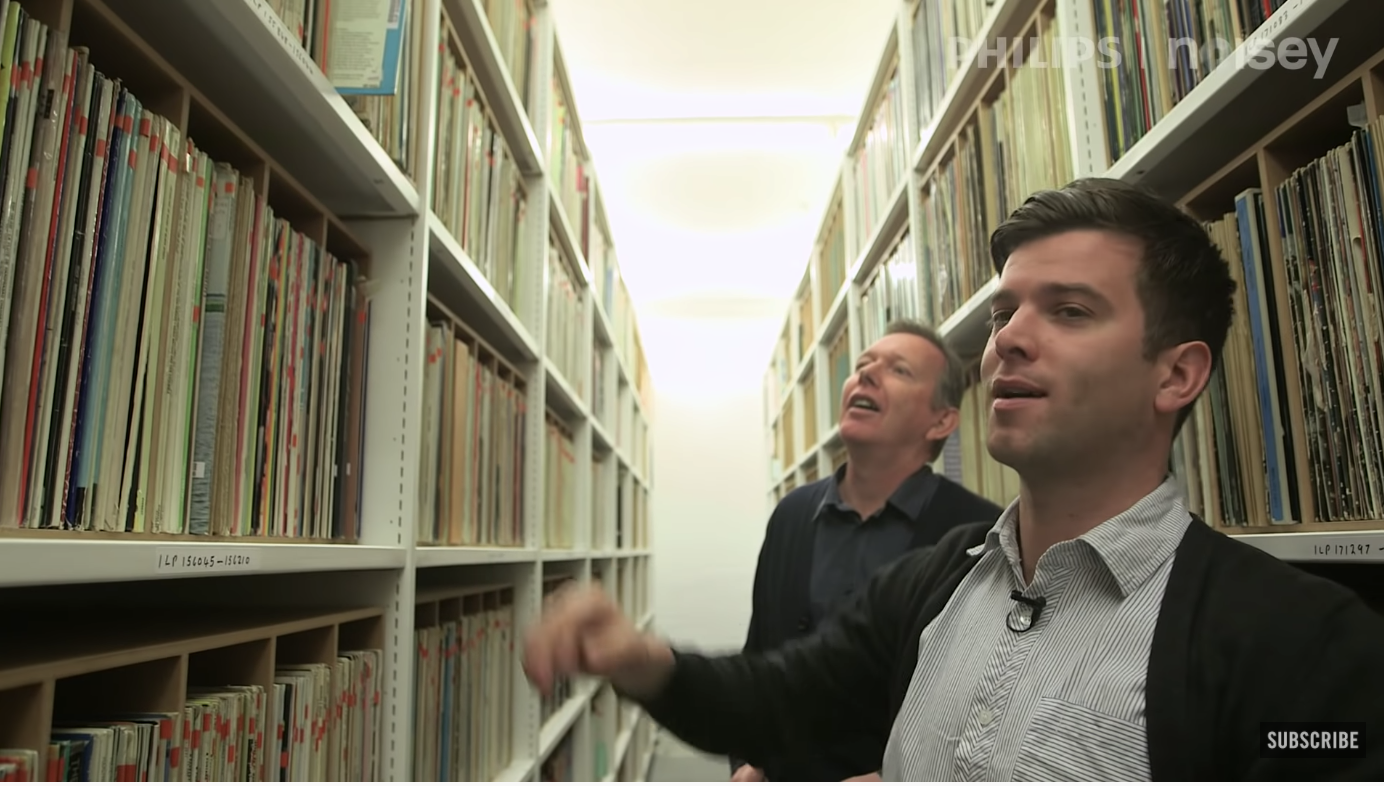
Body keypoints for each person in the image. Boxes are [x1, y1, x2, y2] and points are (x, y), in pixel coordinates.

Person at [521, 177, 1384, 780]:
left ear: (1176, 375)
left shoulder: (1307, 648)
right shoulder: (931, 584)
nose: (1007, 337)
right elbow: (774, 700)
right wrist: (636, 659)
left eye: (1070, 310)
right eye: (1006, 310)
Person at [731, 320, 1003, 782]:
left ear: (942, 420)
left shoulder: (983, 535)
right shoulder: (791, 515)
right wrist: (747, 760)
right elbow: (759, 654)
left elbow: (988, 697)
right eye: (861, 366)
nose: (865, 376)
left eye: (898, 370)